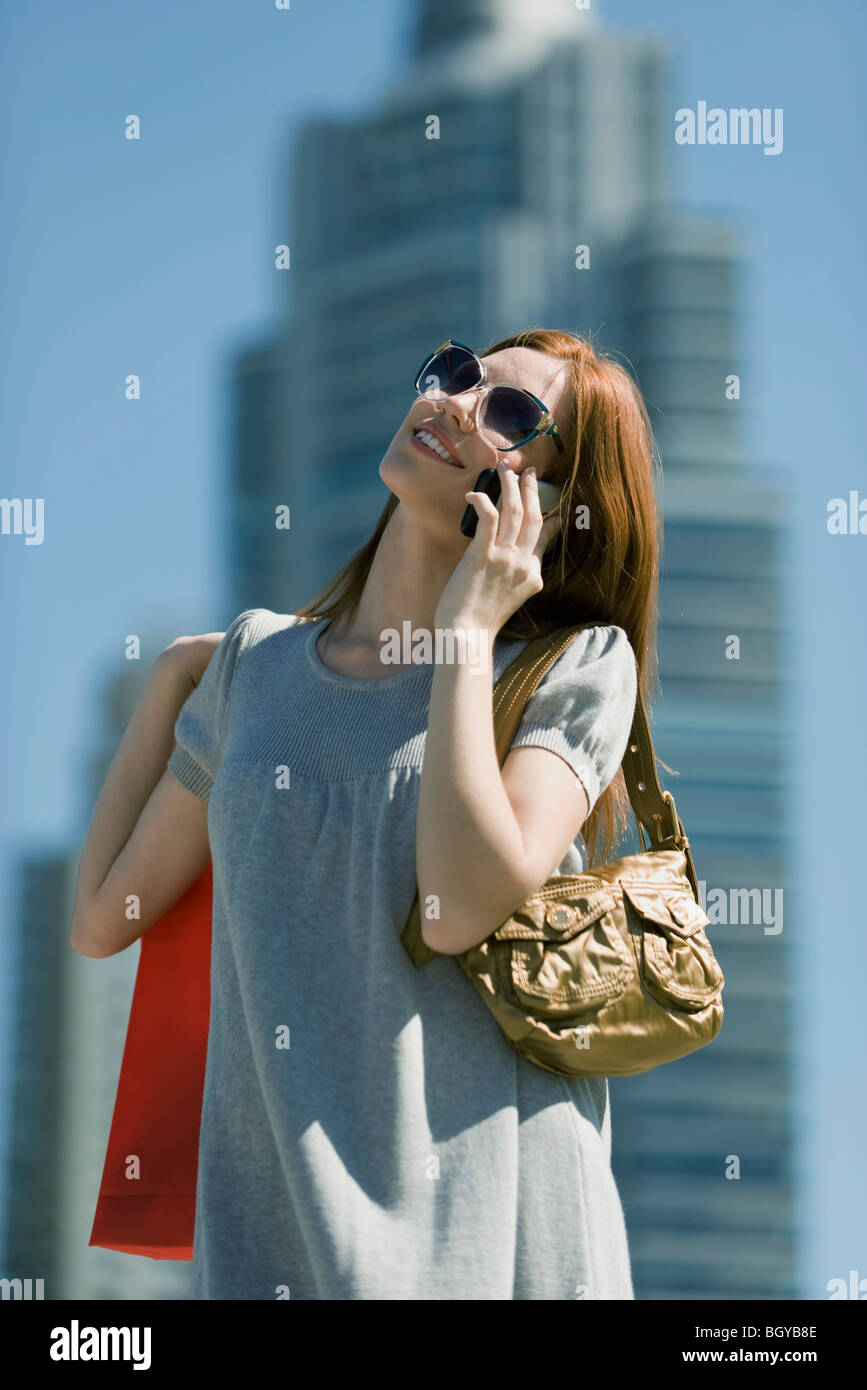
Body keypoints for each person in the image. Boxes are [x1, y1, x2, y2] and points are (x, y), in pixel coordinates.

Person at [71, 327, 661, 1300]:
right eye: (462, 373)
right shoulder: (252, 669)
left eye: (510, 416)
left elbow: (457, 906)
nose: (458, 404)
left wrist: (468, 632)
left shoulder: (571, 669)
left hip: (501, 1256)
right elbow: (103, 916)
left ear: (550, 515)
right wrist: (181, 676)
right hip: (276, 1258)